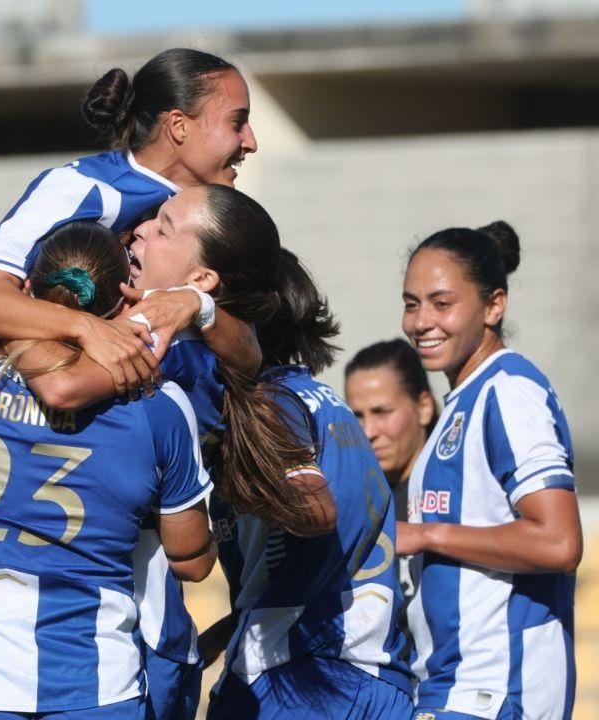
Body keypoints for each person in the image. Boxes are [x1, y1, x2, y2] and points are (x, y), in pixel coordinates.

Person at [11, 186, 336, 720]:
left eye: (162, 228)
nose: (139, 230)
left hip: (125, 634)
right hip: (54, 631)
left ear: (203, 278)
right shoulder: (152, 332)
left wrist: (18, 317)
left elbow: (63, 388)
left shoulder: (179, 363)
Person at [0, 221, 216, 719]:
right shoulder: (158, 402)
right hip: (94, 676)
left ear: (27, 288)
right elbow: (191, 561)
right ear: (119, 303)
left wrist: (8, 327)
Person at [0, 48, 263, 398]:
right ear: (178, 125)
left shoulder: (208, 215)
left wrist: (199, 306)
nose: (251, 142)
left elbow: (248, 354)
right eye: (237, 123)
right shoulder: (79, 188)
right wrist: (86, 328)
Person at [198, 249, 414, 719]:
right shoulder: (324, 402)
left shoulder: (268, 407)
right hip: (376, 677)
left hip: (300, 680)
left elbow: (316, 513)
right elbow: (305, 570)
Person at [398, 222, 580, 720]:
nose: (420, 322)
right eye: (412, 304)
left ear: (494, 305)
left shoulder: (509, 391)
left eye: (441, 303)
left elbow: (558, 543)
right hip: (452, 686)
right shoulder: (464, 398)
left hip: (497, 691)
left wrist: (425, 534)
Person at [345, 339, 438, 516]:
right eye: (357, 416)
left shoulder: (457, 494)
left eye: (381, 412)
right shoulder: (357, 505)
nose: (368, 432)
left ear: (424, 408)